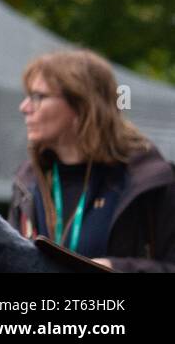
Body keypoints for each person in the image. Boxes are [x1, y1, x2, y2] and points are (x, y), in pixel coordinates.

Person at [9, 50, 175, 271]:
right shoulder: (27, 181)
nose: (24, 107)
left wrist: (113, 268)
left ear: (82, 105)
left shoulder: (150, 180)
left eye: (38, 97)